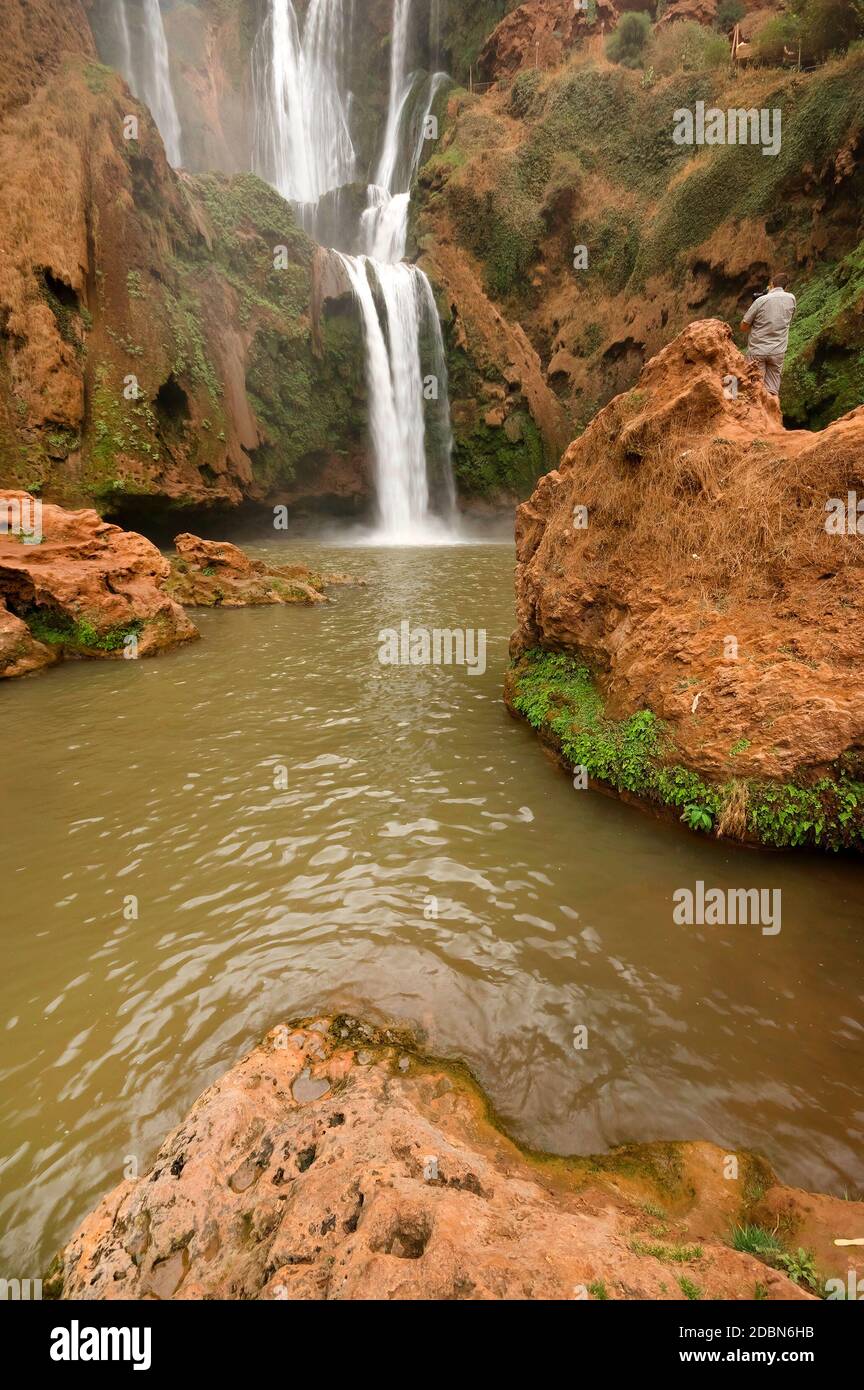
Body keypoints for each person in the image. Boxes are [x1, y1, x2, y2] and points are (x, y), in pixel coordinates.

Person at [739, 275, 797, 397]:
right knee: (772, 391)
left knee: (755, 389)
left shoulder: (761, 300)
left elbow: (743, 326)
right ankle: (772, 413)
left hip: (757, 352)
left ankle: (756, 414)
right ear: (787, 286)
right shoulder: (791, 299)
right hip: (778, 352)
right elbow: (787, 321)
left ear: (771, 284)